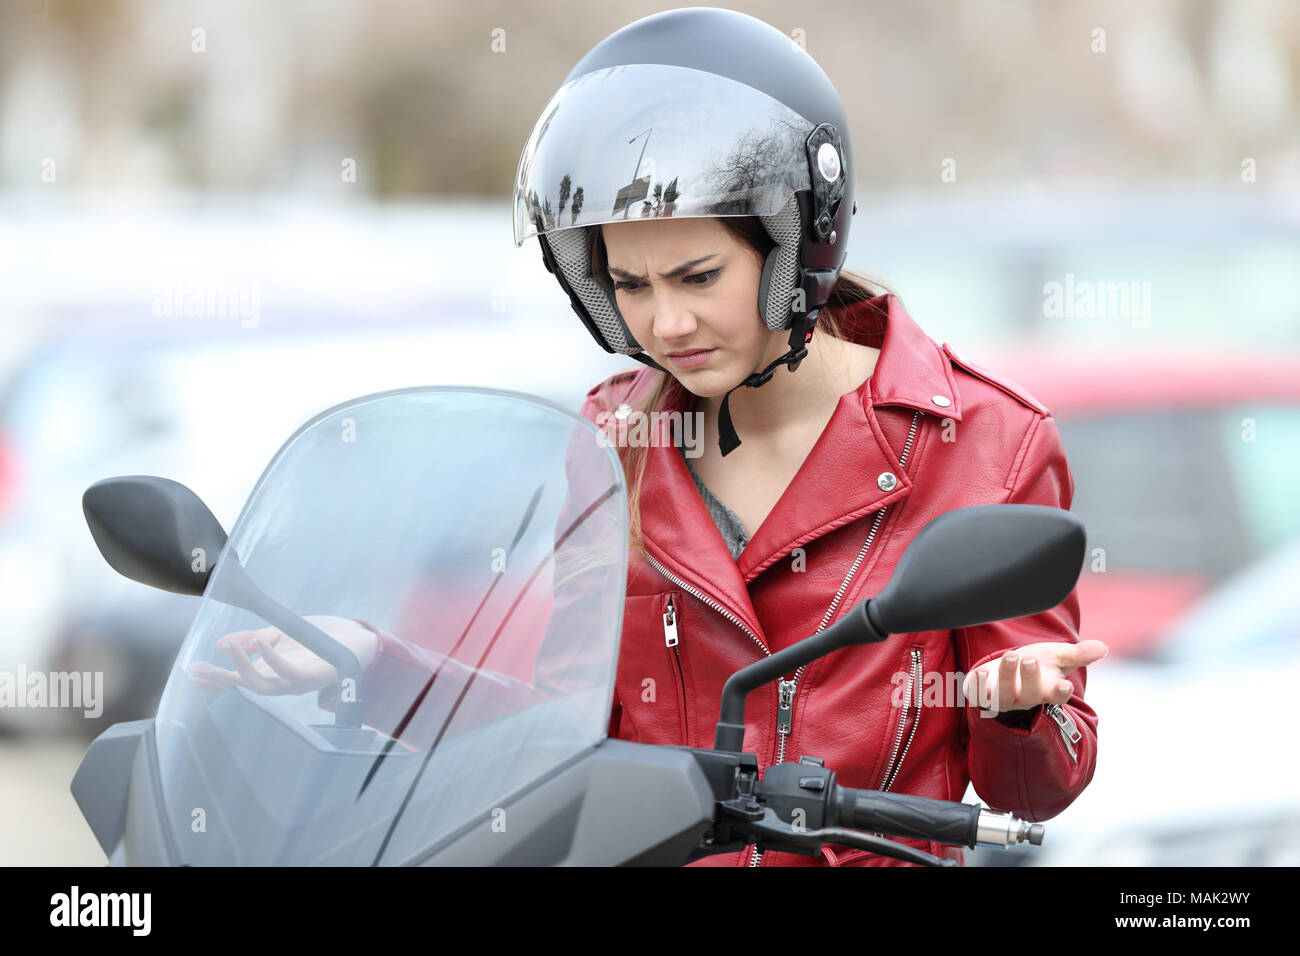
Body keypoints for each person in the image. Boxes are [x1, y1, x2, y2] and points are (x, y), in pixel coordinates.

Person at [190, 6, 1108, 868]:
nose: (665, 323)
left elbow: (1041, 789)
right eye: (631, 285)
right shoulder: (612, 436)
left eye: (697, 275)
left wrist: (1015, 708)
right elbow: (566, 735)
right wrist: (371, 664)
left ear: (797, 241)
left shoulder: (983, 438)